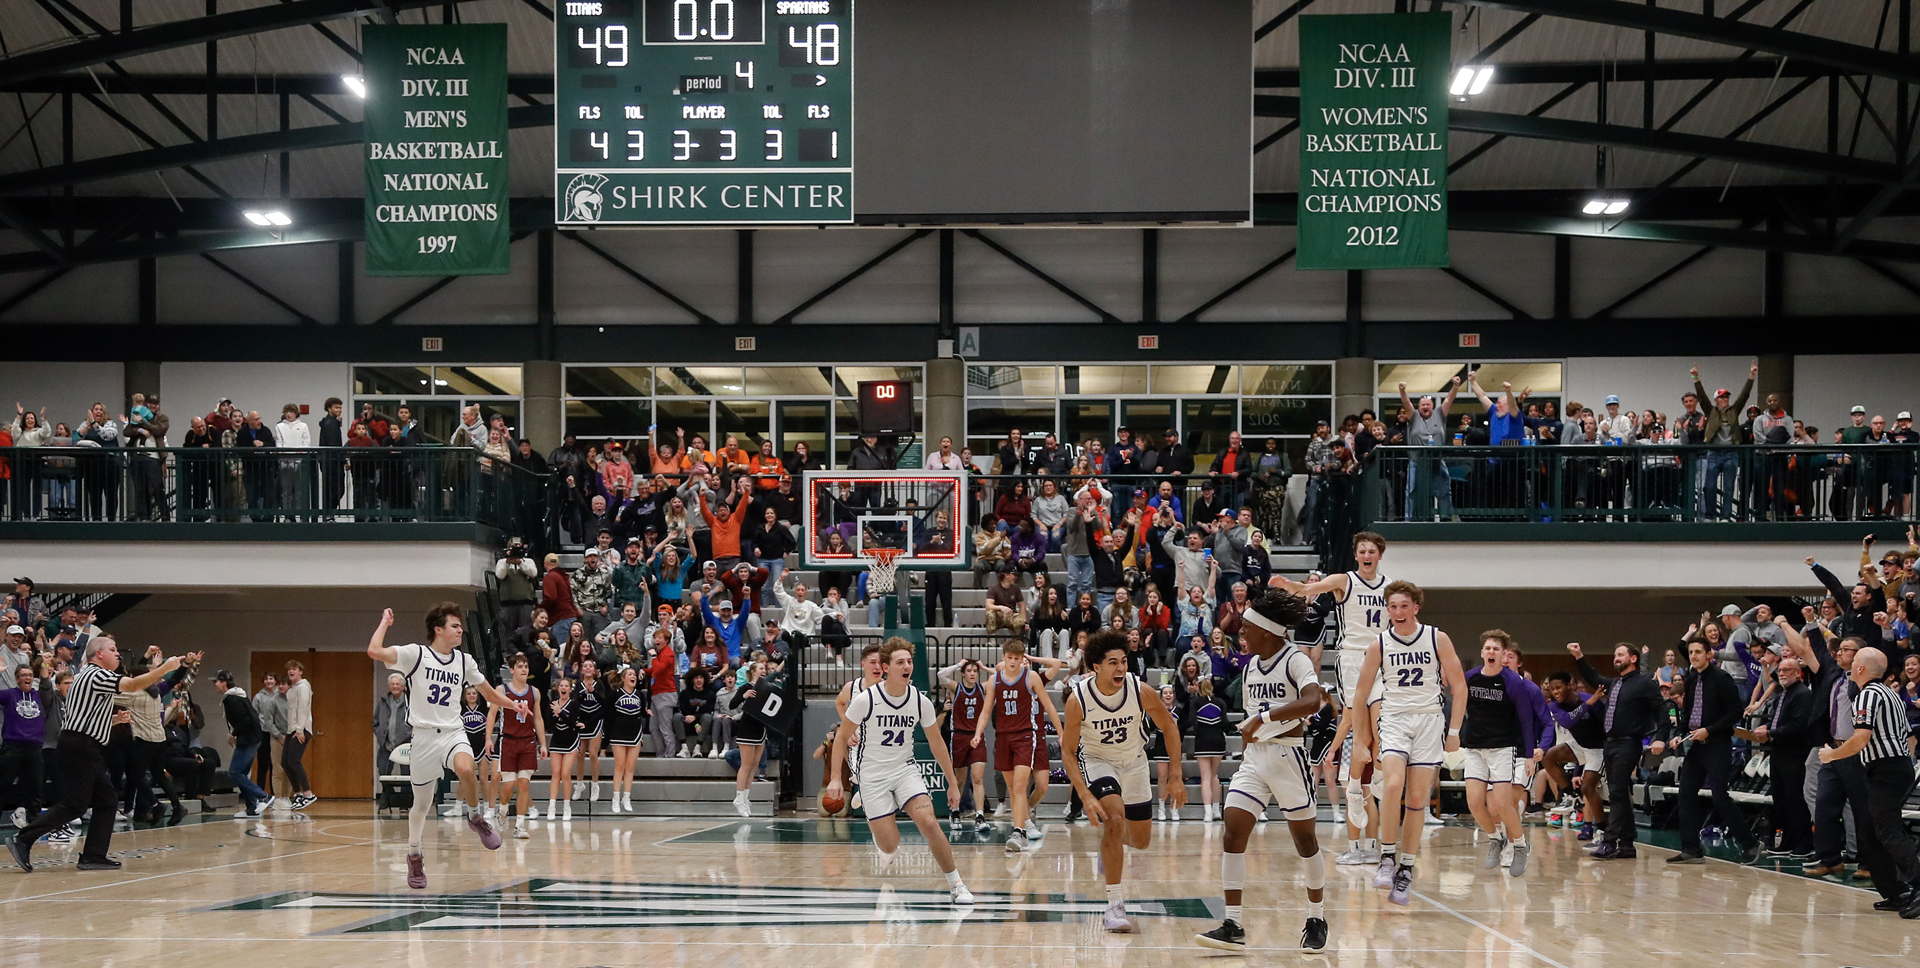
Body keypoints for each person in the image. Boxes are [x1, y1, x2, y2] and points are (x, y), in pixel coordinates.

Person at [1195, 590, 1329, 953]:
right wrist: (1255, 728)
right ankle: (1233, 923)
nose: (1243, 633)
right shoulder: (1251, 665)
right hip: (1255, 758)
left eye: (1247, 627)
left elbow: (1313, 700)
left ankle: (1316, 917)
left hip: (1289, 759)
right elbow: (1256, 722)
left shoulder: (1294, 659)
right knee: (1233, 831)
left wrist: (1265, 718)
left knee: (1305, 842)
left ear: (1268, 632)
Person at [364, 604, 527, 890]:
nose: (460, 629)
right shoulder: (416, 654)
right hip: (424, 737)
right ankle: (414, 855)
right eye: (454, 625)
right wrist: (384, 623)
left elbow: (488, 692)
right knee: (421, 806)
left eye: (460, 625)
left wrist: (513, 705)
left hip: (453, 731)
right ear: (438, 629)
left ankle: (475, 816)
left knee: (466, 767)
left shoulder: (464, 660)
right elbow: (374, 651)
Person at [9, 637, 192, 874]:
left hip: (82, 744)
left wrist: (115, 720)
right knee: (75, 804)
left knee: (107, 800)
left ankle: (93, 855)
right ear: (98, 654)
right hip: (80, 745)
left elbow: (86, 714)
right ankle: (23, 840)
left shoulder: (91, 677)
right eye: (113, 650)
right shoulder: (96, 674)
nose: (118, 654)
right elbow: (134, 685)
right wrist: (165, 668)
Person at [1272, 531, 1391, 866]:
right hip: (1353, 657)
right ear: (1356, 555)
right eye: (1362, 550)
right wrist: (1290, 586)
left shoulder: (1391, 585)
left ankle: (1373, 778)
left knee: (1380, 723)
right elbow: (1310, 591)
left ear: (1380, 554)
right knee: (1357, 722)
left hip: (1381, 655)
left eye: (1372, 550)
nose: (1367, 555)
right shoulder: (1344, 580)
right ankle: (1355, 786)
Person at [825, 638, 975, 905]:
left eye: (909, 661)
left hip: (904, 769)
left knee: (929, 822)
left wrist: (952, 782)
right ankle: (878, 829)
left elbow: (937, 743)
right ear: (886, 668)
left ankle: (957, 884)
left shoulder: (919, 701)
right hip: (872, 774)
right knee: (890, 845)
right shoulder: (866, 699)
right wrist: (836, 777)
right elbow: (840, 737)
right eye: (900, 662)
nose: (907, 666)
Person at [1349, 580, 1466, 905]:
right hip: (1395, 718)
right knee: (1391, 785)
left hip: (1429, 720)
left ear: (1415, 608)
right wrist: (1361, 739)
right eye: (1392, 606)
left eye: (1404, 606)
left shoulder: (1436, 638)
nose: (1398, 612)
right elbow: (1360, 695)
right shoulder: (1379, 644)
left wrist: (1454, 732)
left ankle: (1407, 869)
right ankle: (1387, 858)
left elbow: (1459, 686)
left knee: (1417, 798)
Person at [1062, 630, 1185, 932]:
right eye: (1113, 662)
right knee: (1115, 818)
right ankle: (1114, 905)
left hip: (1134, 763)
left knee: (1140, 841)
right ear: (1096, 667)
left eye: (1124, 661)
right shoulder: (1078, 700)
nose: (1121, 668)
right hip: (1098, 761)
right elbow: (1067, 750)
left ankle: (1110, 846)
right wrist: (1084, 794)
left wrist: (1176, 775)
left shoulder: (1140, 690)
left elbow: (1169, 727)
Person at [1818, 646, 1920, 918]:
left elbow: (1861, 738)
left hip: (1886, 770)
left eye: (1854, 660)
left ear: (1860, 668)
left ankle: (1916, 884)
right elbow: (1911, 738)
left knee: (1887, 830)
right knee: (1870, 833)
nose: (1849, 664)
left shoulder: (1867, 695)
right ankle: (1896, 892)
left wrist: (1831, 755)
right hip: (1897, 768)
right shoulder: (1892, 694)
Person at [1667, 636, 1762, 865]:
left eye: (1698, 652)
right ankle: (1691, 849)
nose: (1694, 656)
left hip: (1717, 744)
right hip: (1696, 745)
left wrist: (1709, 730)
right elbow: (1687, 714)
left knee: (1720, 796)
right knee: (1686, 794)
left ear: (1709, 654)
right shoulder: (1689, 680)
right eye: (1691, 652)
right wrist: (1680, 733)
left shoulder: (1721, 678)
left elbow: (1734, 712)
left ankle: (1750, 843)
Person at [1569, 640, 1661, 859]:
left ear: (1633, 658)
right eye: (1615, 655)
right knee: (1618, 792)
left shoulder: (1645, 683)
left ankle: (1610, 842)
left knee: (1618, 791)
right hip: (1609, 743)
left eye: (1620, 654)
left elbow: (1662, 711)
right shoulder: (1615, 683)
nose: (1616, 658)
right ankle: (1627, 844)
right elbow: (1594, 678)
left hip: (1629, 743)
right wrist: (1579, 656)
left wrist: (1661, 738)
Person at [1458, 630, 1539, 878]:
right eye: (1488, 648)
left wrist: (1527, 755)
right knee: (1474, 803)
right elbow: (1459, 707)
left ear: (1504, 655)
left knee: (1503, 804)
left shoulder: (1514, 683)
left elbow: (1526, 720)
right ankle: (1496, 838)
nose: (1491, 652)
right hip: (1474, 747)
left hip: (1503, 748)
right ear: (1482, 652)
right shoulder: (1470, 678)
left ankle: (1521, 845)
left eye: (1496, 649)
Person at [991, 639, 1065, 853]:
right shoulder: (1006, 675)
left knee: (1042, 785)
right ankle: (1024, 824)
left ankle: (1027, 809)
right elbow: (999, 667)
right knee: (1018, 785)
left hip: (1036, 734)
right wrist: (1014, 661)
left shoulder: (1035, 678)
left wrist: (1032, 659)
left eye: (1020, 659)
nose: (1017, 662)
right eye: (1012, 659)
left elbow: (1057, 664)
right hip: (1016, 734)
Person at [487, 653, 545, 838]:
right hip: (508, 741)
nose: (524, 669)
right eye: (520, 666)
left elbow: (538, 718)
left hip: (528, 740)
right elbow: (491, 715)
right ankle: (502, 810)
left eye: (526, 666)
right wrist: (488, 738)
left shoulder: (534, 692)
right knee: (508, 785)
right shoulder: (502, 690)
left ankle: (520, 825)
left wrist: (542, 744)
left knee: (524, 784)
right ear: (511, 670)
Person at [939, 658, 990, 827]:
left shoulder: (982, 688)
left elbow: (1001, 677)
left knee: (977, 777)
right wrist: (958, 664)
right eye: (969, 671)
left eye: (975, 671)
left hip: (977, 736)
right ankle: (955, 811)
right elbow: (940, 675)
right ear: (963, 674)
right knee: (959, 780)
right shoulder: (957, 688)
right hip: (959, 737)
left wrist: (985, 667)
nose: (973, 673)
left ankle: (980, 816)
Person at [602, 665, 645, 814]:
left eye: (634, 674)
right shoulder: (615, 694)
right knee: (619, 766)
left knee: (630, 767)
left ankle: (626, 798)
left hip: (634, 734)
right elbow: (608, 716)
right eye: (630, 674)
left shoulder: (639, 694)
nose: (633, 677)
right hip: (618, 733)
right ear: (623, 678)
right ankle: (615, 797)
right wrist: (605, 741)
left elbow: (643, 712)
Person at [545, 676, 581, 821]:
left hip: (571, 740)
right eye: (562, 686)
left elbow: (572, 723)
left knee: (565, 773)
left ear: (570, 689)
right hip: (557, 741)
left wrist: (560, 713)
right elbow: (549, 725)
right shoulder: (552, 704)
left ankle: (567, 806)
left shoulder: (574, 704)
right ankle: (552, 806)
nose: (564, 688)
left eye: (567, 686)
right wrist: (555, 715)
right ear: (558, 689)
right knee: (555, 773)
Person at [373, 672, 411, 779]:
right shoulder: (383, 702)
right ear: (389, 686)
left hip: (406, 745)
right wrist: (380, 735)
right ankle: (389, 795)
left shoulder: (410, 701)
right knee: (383, 773)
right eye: (392, 684)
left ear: (403, 686)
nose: (395, 686)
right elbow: (375, 722)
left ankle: (405, 795)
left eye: (397, 684)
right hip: (386, 745)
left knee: (407, 775)